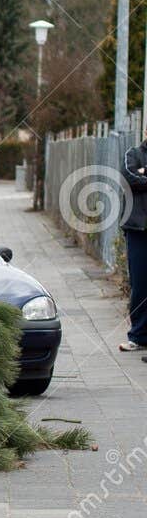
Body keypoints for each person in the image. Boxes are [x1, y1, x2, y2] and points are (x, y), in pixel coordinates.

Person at [123, 139, 147, 356]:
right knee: (139, 284)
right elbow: (130, 178)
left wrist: (144, 172)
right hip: (138, 230)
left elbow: (140, 180)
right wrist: (140, 174)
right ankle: (138, 336)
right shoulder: (133, 154)